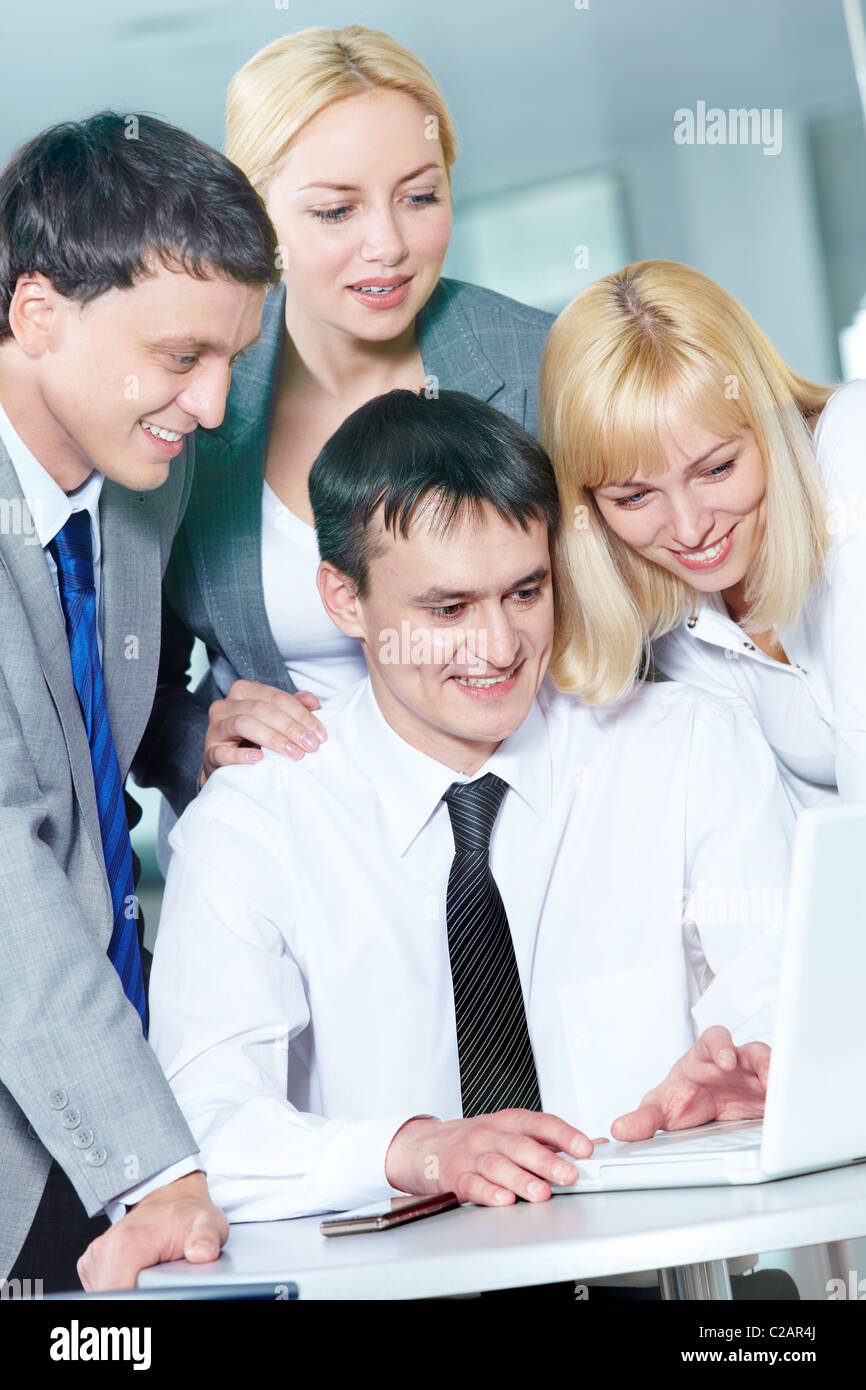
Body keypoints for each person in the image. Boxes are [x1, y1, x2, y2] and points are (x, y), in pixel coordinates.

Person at [148, 388, 793, 1235]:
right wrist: (415, 1152)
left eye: (525, 593)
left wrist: (762, 1073)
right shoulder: (252, 825)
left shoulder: (687, 747)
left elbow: (785, 998)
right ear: (344, 600)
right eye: (448, 610)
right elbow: (201, 1129)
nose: (497, 648)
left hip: (661, 1277)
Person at [130, 25, 556, 855]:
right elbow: (128, 669)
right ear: (256, 217)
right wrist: (198, 740)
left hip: (526, 837)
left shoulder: (539, 365)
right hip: (294, 858)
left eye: (419, 196)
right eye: (336, 209)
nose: (388, 245)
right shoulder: (188, 402)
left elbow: (641, 632)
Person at [0, 110, 277, 1293]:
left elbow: (81, 680)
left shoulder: (140, 477)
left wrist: (181, 731)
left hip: (112, 1086)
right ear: (37, 313)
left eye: (231, 361)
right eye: (180, 360)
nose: (212, 407)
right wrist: (149, 1164)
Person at [538, 257, 865, 810]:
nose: (690, 531)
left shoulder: (852, 450)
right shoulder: (672, 623)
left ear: (768, 420)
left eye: (716, 470)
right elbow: (786, 826)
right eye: (634, 496)